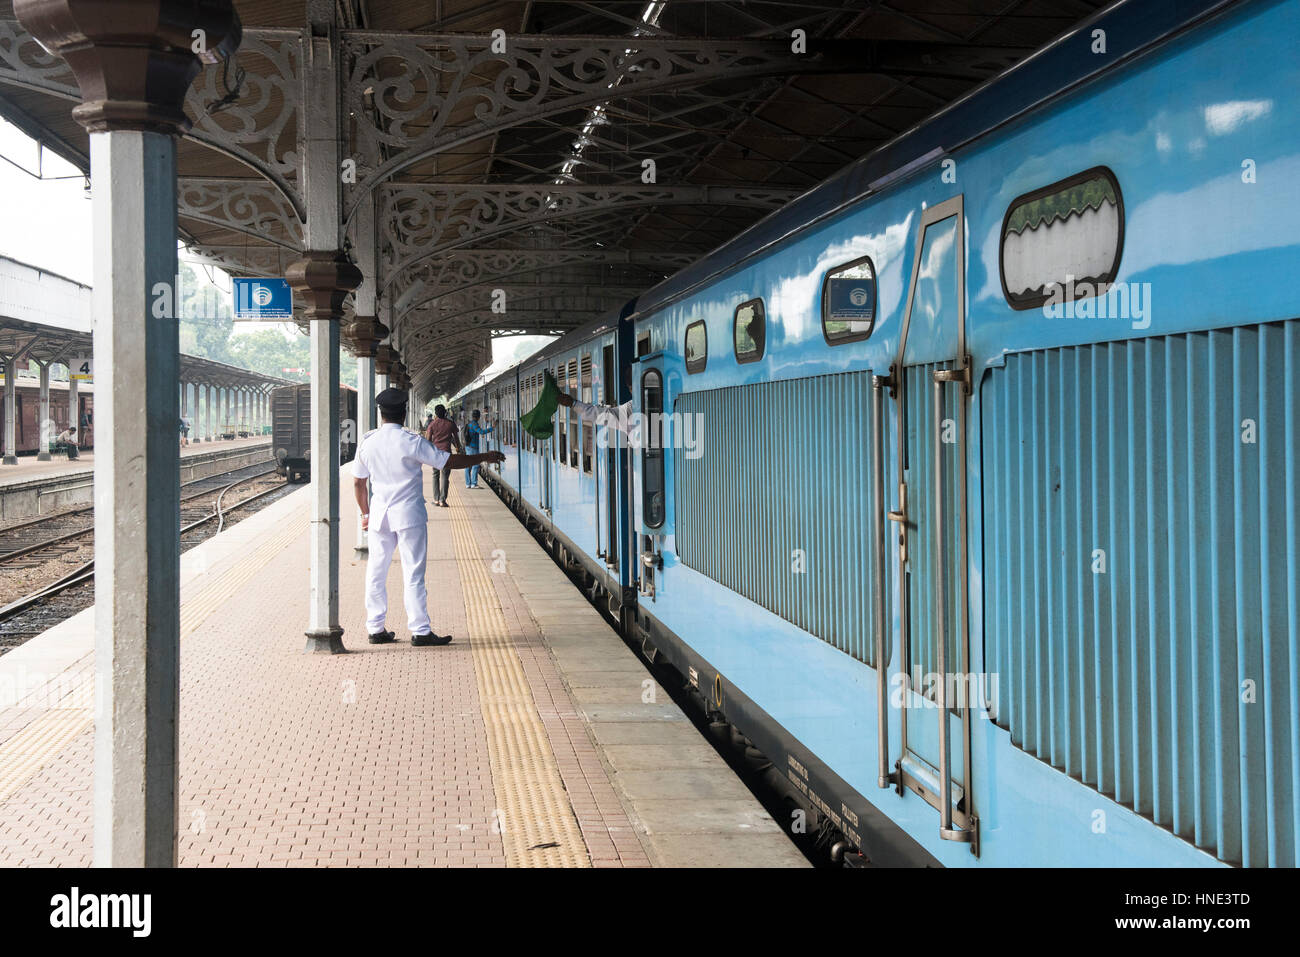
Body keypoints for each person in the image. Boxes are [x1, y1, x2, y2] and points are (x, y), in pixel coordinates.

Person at [353, 389, 505, 646]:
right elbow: (447, 462)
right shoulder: (411, 442)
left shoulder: (368, 442)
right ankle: (421, 631)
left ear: (381, 414)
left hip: (379, 517)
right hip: (408, 516)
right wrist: (483, 457)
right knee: (413, 573)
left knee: (376, 571)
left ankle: (375, 628)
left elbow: (358, 482)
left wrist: (365, 513)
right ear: (403, 412)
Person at [423, 403, 463, 508]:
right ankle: (442, 500)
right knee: (445, 476)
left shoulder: (432, 424)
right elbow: (456, 437)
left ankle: (436, 499)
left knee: (435, 475)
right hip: (446, 454)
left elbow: (427, 441)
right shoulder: (450, 424)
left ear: (435, 413)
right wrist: (458, 448)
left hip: (435, 454)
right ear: (445, 412)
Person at [462, 408, 494, 489]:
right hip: (473, 447)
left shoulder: (469, 424)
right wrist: (492, 428)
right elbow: (482, 432)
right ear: (478, 417)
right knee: (475, 465)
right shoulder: (474, 424)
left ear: (472, 416)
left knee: (468, 465)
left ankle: (468, 483)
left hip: (468, 446)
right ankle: (473, 483)